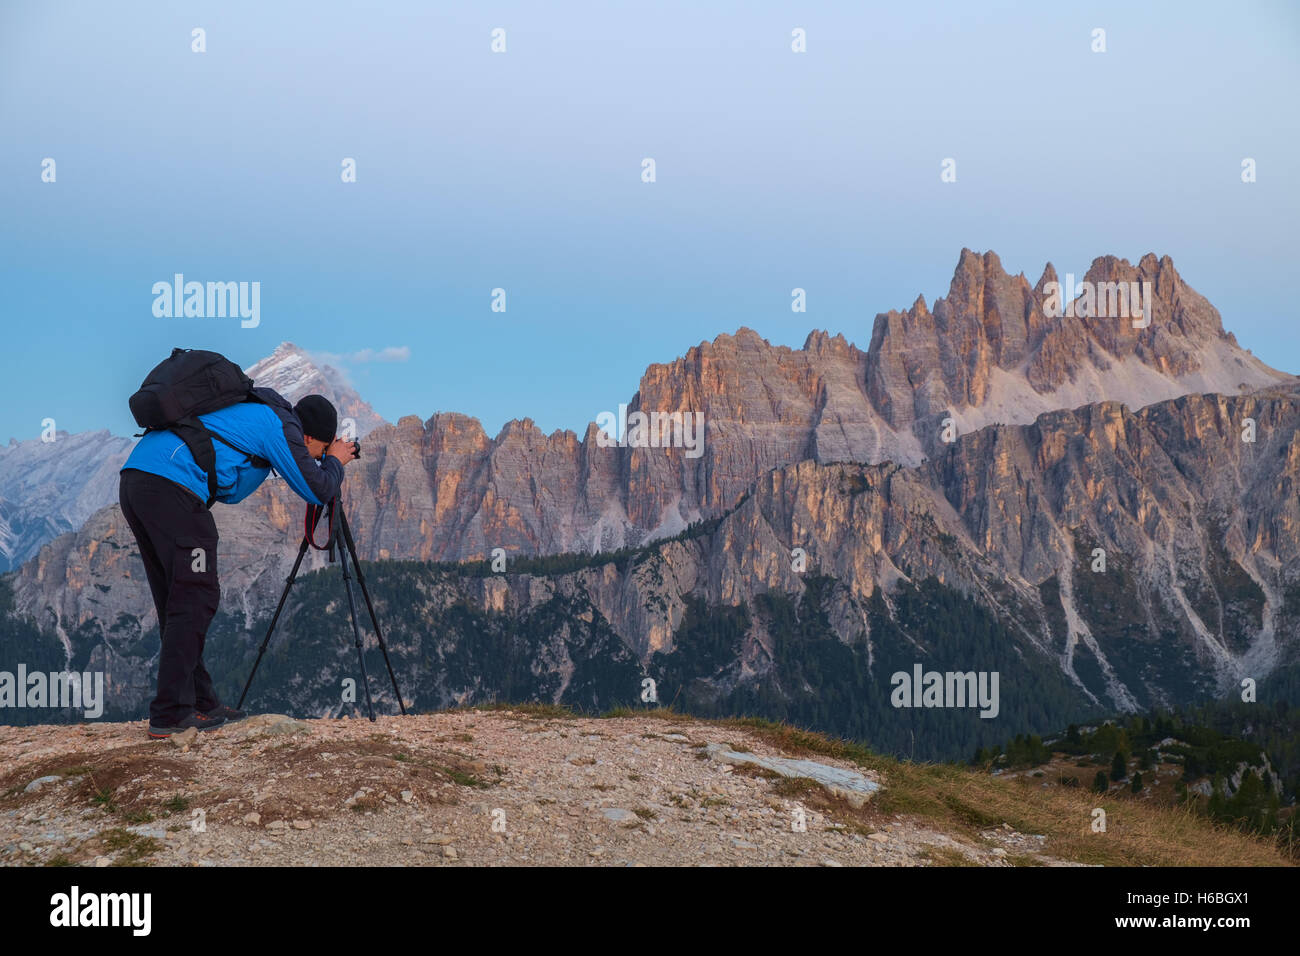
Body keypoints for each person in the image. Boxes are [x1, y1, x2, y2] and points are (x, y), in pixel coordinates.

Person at [118, 390, 358, 738]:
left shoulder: (259, 417)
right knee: (196, 597)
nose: (317, 459)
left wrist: (304, 459)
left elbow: (230, 488)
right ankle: (170, 714)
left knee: (178, 598)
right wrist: (336, 462)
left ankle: (201, 702)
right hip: (171, 488)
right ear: (307, 437)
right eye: (319, 452)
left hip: (139, 481)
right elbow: (318, 488)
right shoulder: (279, 427)